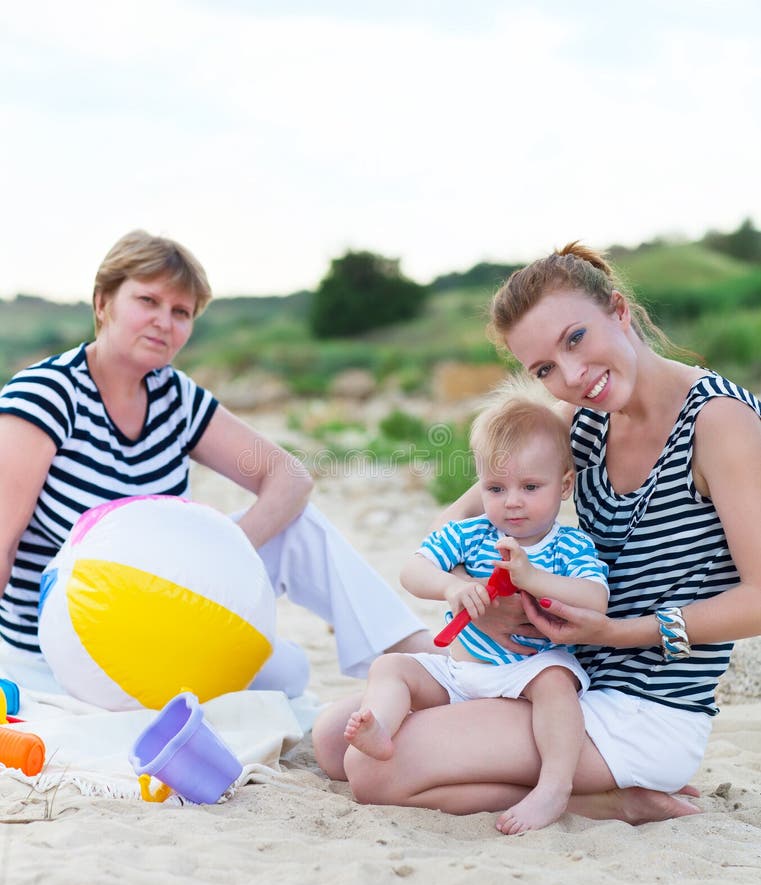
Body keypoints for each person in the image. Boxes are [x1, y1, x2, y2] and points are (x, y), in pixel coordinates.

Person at [313, 241, 761, 830]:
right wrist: (483, 603)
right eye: (544, 368)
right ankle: (577, 784)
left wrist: (615, 631)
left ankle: (607, 799)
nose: (572, 376)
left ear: (619, 311)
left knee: (371, 770)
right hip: (552, 667)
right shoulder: (580, 422)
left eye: (576, 338)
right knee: (328, 742)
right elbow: (456, 527)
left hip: (642, 704)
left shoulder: (719, 421)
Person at [0, 229, 434, 699]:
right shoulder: (45, 395)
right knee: (279, 674)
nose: (164, 322)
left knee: (290, 626)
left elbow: (287, 475)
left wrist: (226, 551)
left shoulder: (175, 397)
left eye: (181, 312)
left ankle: (412, 652)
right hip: (70, 634)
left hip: (159, 600)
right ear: (103, 302)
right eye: (148, 300)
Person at [343, 387, 609, 833]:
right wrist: (450, 586)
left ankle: (555, 786)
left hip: (526, 671)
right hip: (461, 669)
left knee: (558, 685)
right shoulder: (472, 533)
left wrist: (532, 579)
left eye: (530, 487)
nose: (512, 502)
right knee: (392, 666)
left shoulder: (568, 545)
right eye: (495, 488)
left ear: (564, 485)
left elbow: (595, 599)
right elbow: (413, 568)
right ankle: (381, 731)